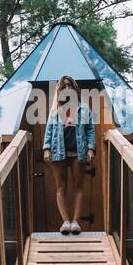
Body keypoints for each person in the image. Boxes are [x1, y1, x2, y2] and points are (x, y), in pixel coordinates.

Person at [42, 75, 96, 234]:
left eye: (70, 85)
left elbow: (90, 130)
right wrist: (46, 148)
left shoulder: (83, 108)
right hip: (58, 151)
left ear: (74, 89)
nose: (67, 89)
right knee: (61, 187)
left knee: (78, 186)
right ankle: (65, 222)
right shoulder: (55, 110)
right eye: (64, 86)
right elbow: (49, 130)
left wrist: (91, 149)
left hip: (78, 151)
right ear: (59, 91)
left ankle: (76, 222)